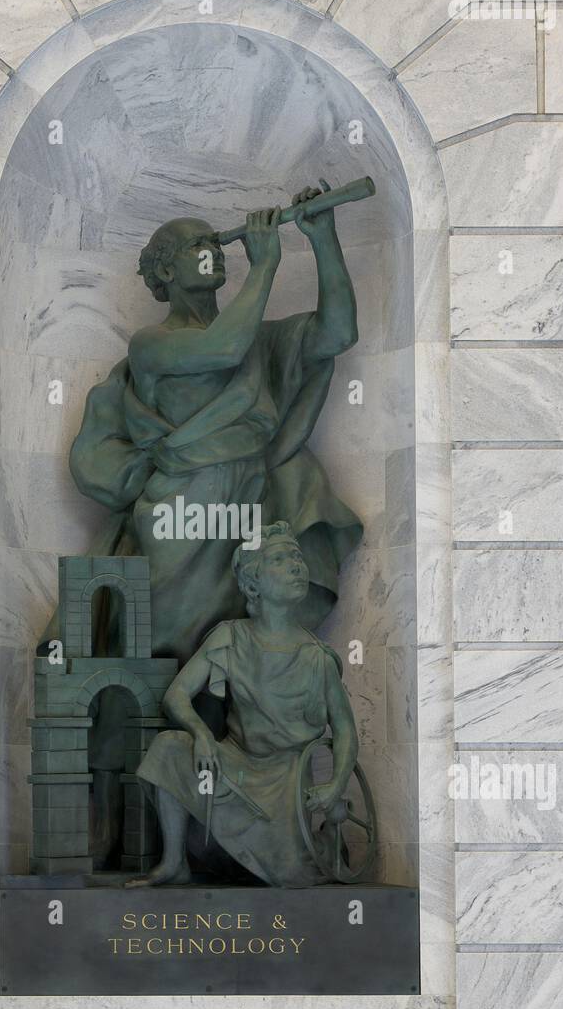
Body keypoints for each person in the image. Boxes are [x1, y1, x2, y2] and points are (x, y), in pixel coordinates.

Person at [67, 186, 362, 663]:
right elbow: (223, 349)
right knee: (159, 641)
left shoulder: (261, 341)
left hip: (249, 509)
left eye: (214, 242)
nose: (214, 251)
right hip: (180, 512)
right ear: (166, 270)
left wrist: (324, 237)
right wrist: (264, 266)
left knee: (239, 648)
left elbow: (338, 332)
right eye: (197, 246)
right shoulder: (151, 343)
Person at [128, 523, 359, 888]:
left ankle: (294, 846)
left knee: (291, 873)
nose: (296, 566)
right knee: (169, 746)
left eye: (297, 557)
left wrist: (334, 786)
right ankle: (174, 862)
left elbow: (345, 730)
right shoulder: (230, 637)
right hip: (233, 763)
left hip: (286, 780)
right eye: (280, 560)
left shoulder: (318, 658)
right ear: (253, 584)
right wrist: (201, 734)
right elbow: (176, 695)